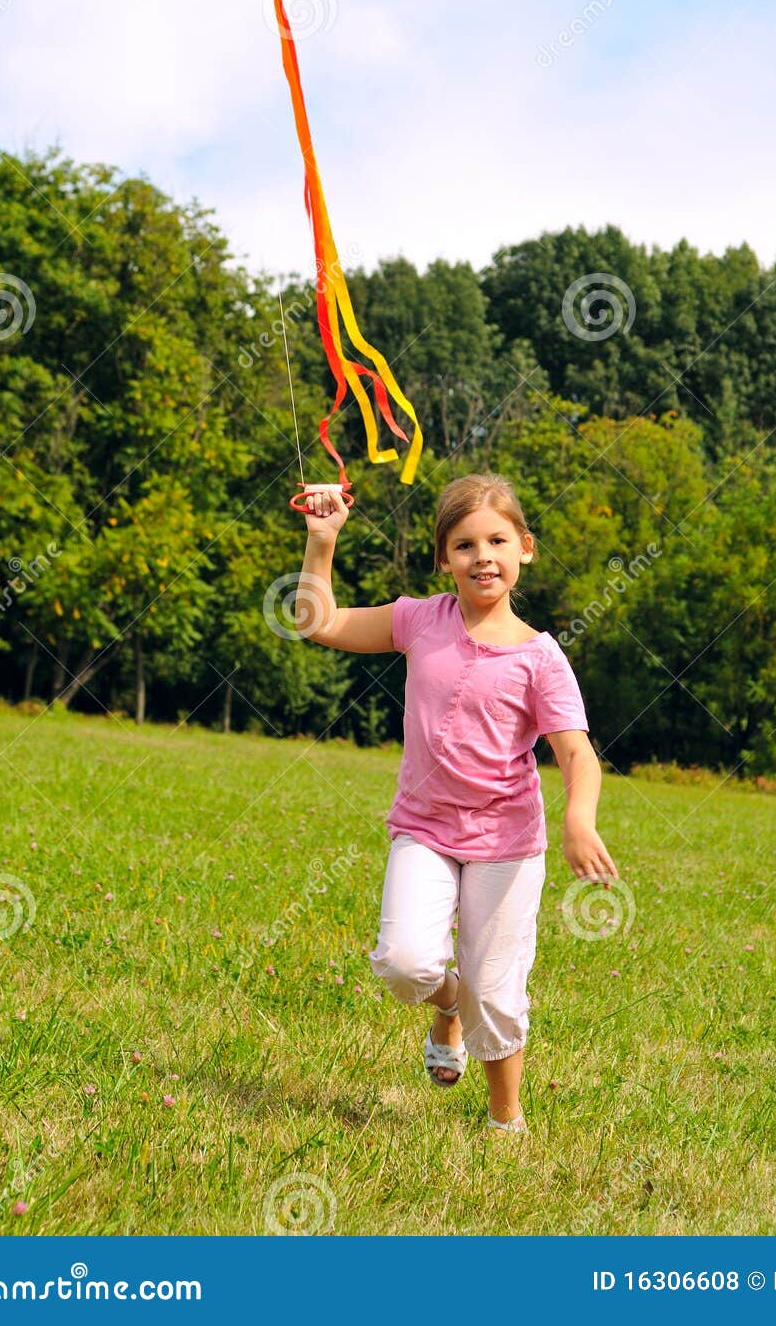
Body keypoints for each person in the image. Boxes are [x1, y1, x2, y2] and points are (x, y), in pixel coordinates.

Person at [298, 471, 618, 1134]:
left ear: (525, 547)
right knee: (404, 964)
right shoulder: (422, 620)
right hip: (424, 831)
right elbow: (318, 621)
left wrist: (578, 820)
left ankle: (505, 1120)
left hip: (506, 846)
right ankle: (448, 1004)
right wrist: (322, 540)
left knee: (495, 994)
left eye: (497, 540)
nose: (482, 557)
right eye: (464, 545)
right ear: (444, 558)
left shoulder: (540, 659)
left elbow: (577, 754)